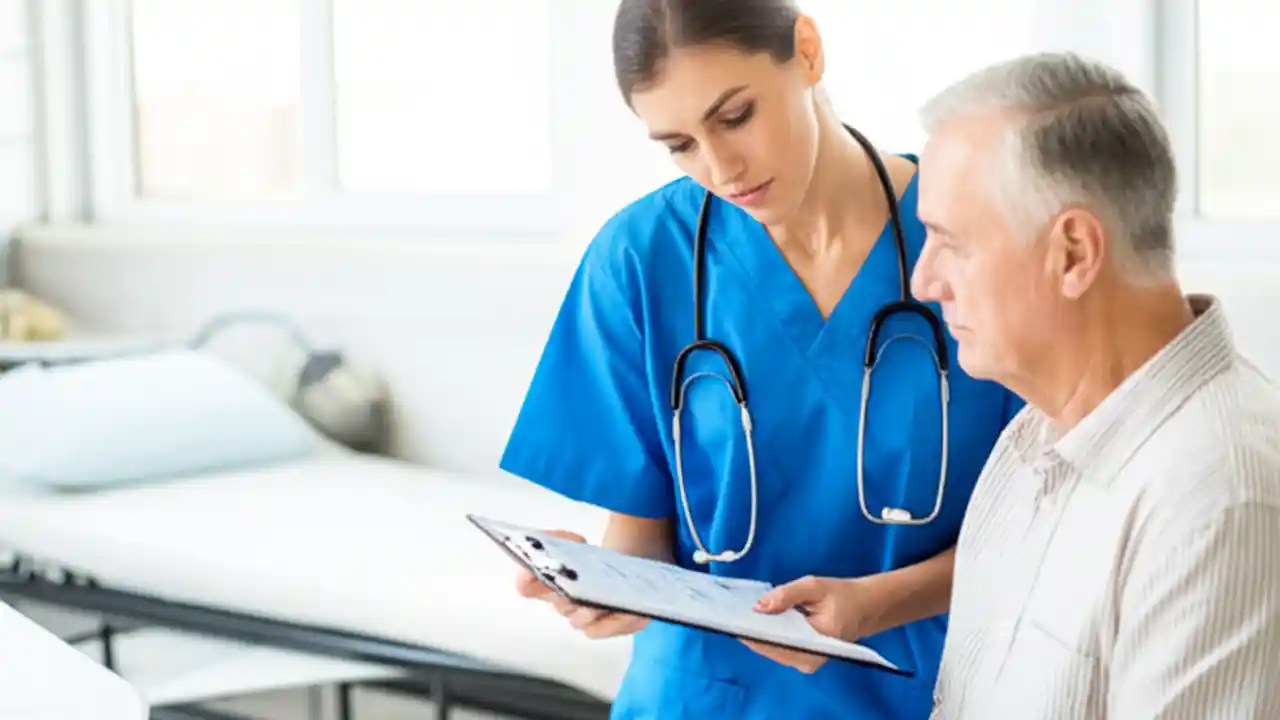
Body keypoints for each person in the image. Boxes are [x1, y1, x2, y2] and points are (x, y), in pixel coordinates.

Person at [498, 1, 1020, 717]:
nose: (719, 167)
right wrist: (604, 590)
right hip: (705, 698)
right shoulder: (640, 259)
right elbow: (645, 539)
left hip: (925, 692)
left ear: (807, 51)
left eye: (736, 116)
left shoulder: (973, 227)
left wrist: (876, 603)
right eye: (679, 144)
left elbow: (1049, 529)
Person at [759, 51, 1280, 718]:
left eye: (952, 243)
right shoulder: (1032, 441)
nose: (923, 283)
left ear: (1073, 254)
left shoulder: (1218, 500)